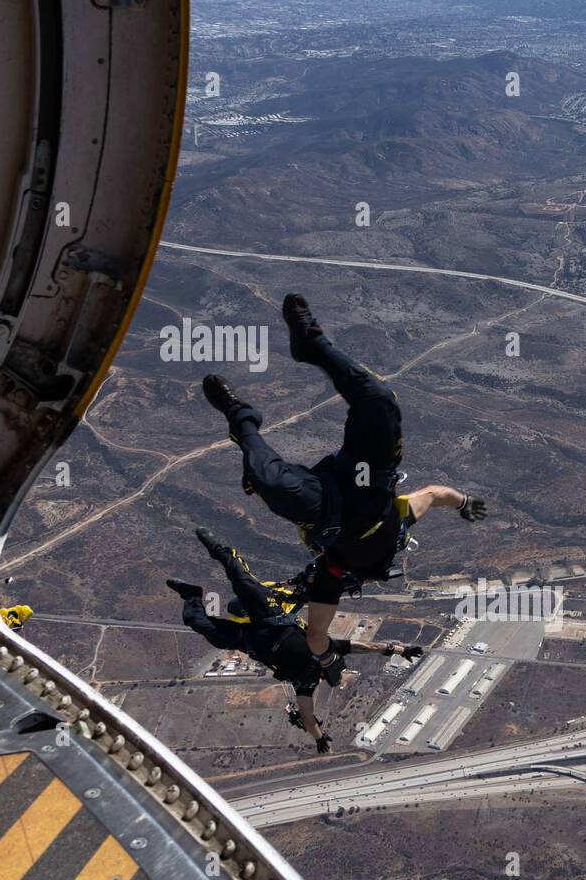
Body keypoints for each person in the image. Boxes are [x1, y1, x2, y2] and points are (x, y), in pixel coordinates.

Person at [202, 294, 486, 685]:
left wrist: (325, 663)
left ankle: (240, 418)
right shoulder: (399, 523)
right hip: (366, 476)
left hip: (328, 506)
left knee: (272, 482)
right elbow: (435, 495)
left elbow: (318, 634)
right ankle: (312, 344)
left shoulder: (332, 574)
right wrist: (464, 501)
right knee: (380, 400)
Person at [167, 527, 422, 755]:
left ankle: (192, 595)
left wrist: (319, 737)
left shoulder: (307, 681)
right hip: (271, 617)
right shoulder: (323, 653)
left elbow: (308, 716)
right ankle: (218, 548)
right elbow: (364, 647)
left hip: (250, 640)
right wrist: (398, 649)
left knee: (199, 622)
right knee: (240, 580)